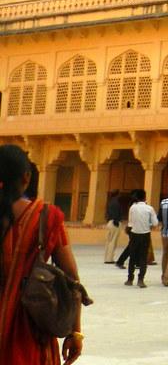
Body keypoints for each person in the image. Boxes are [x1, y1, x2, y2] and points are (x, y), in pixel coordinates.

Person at [0, 143, 85, 365]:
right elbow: (71, 279)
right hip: (29, 331)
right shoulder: (46, 217)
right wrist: (75, 332)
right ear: (26, 178)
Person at [126, 188, 158, 288]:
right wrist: (147, 224)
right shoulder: (149, 208)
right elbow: (155, 223)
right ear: (145, 197)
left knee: (132, 257)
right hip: (145, 235)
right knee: (143, 258)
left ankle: (130, 278)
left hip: (134, 234)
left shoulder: (132, 208)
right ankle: (141, 279)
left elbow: (130, 223)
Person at [103, 189, 122, 263]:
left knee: (109, 241)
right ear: (117, 194)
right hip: (114, 223)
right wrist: (116, 222)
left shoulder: (110, 202)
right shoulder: (116, 203)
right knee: (113, 242)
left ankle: (107, 258)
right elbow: (116, 214)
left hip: (110, 222)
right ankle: (109, 259)